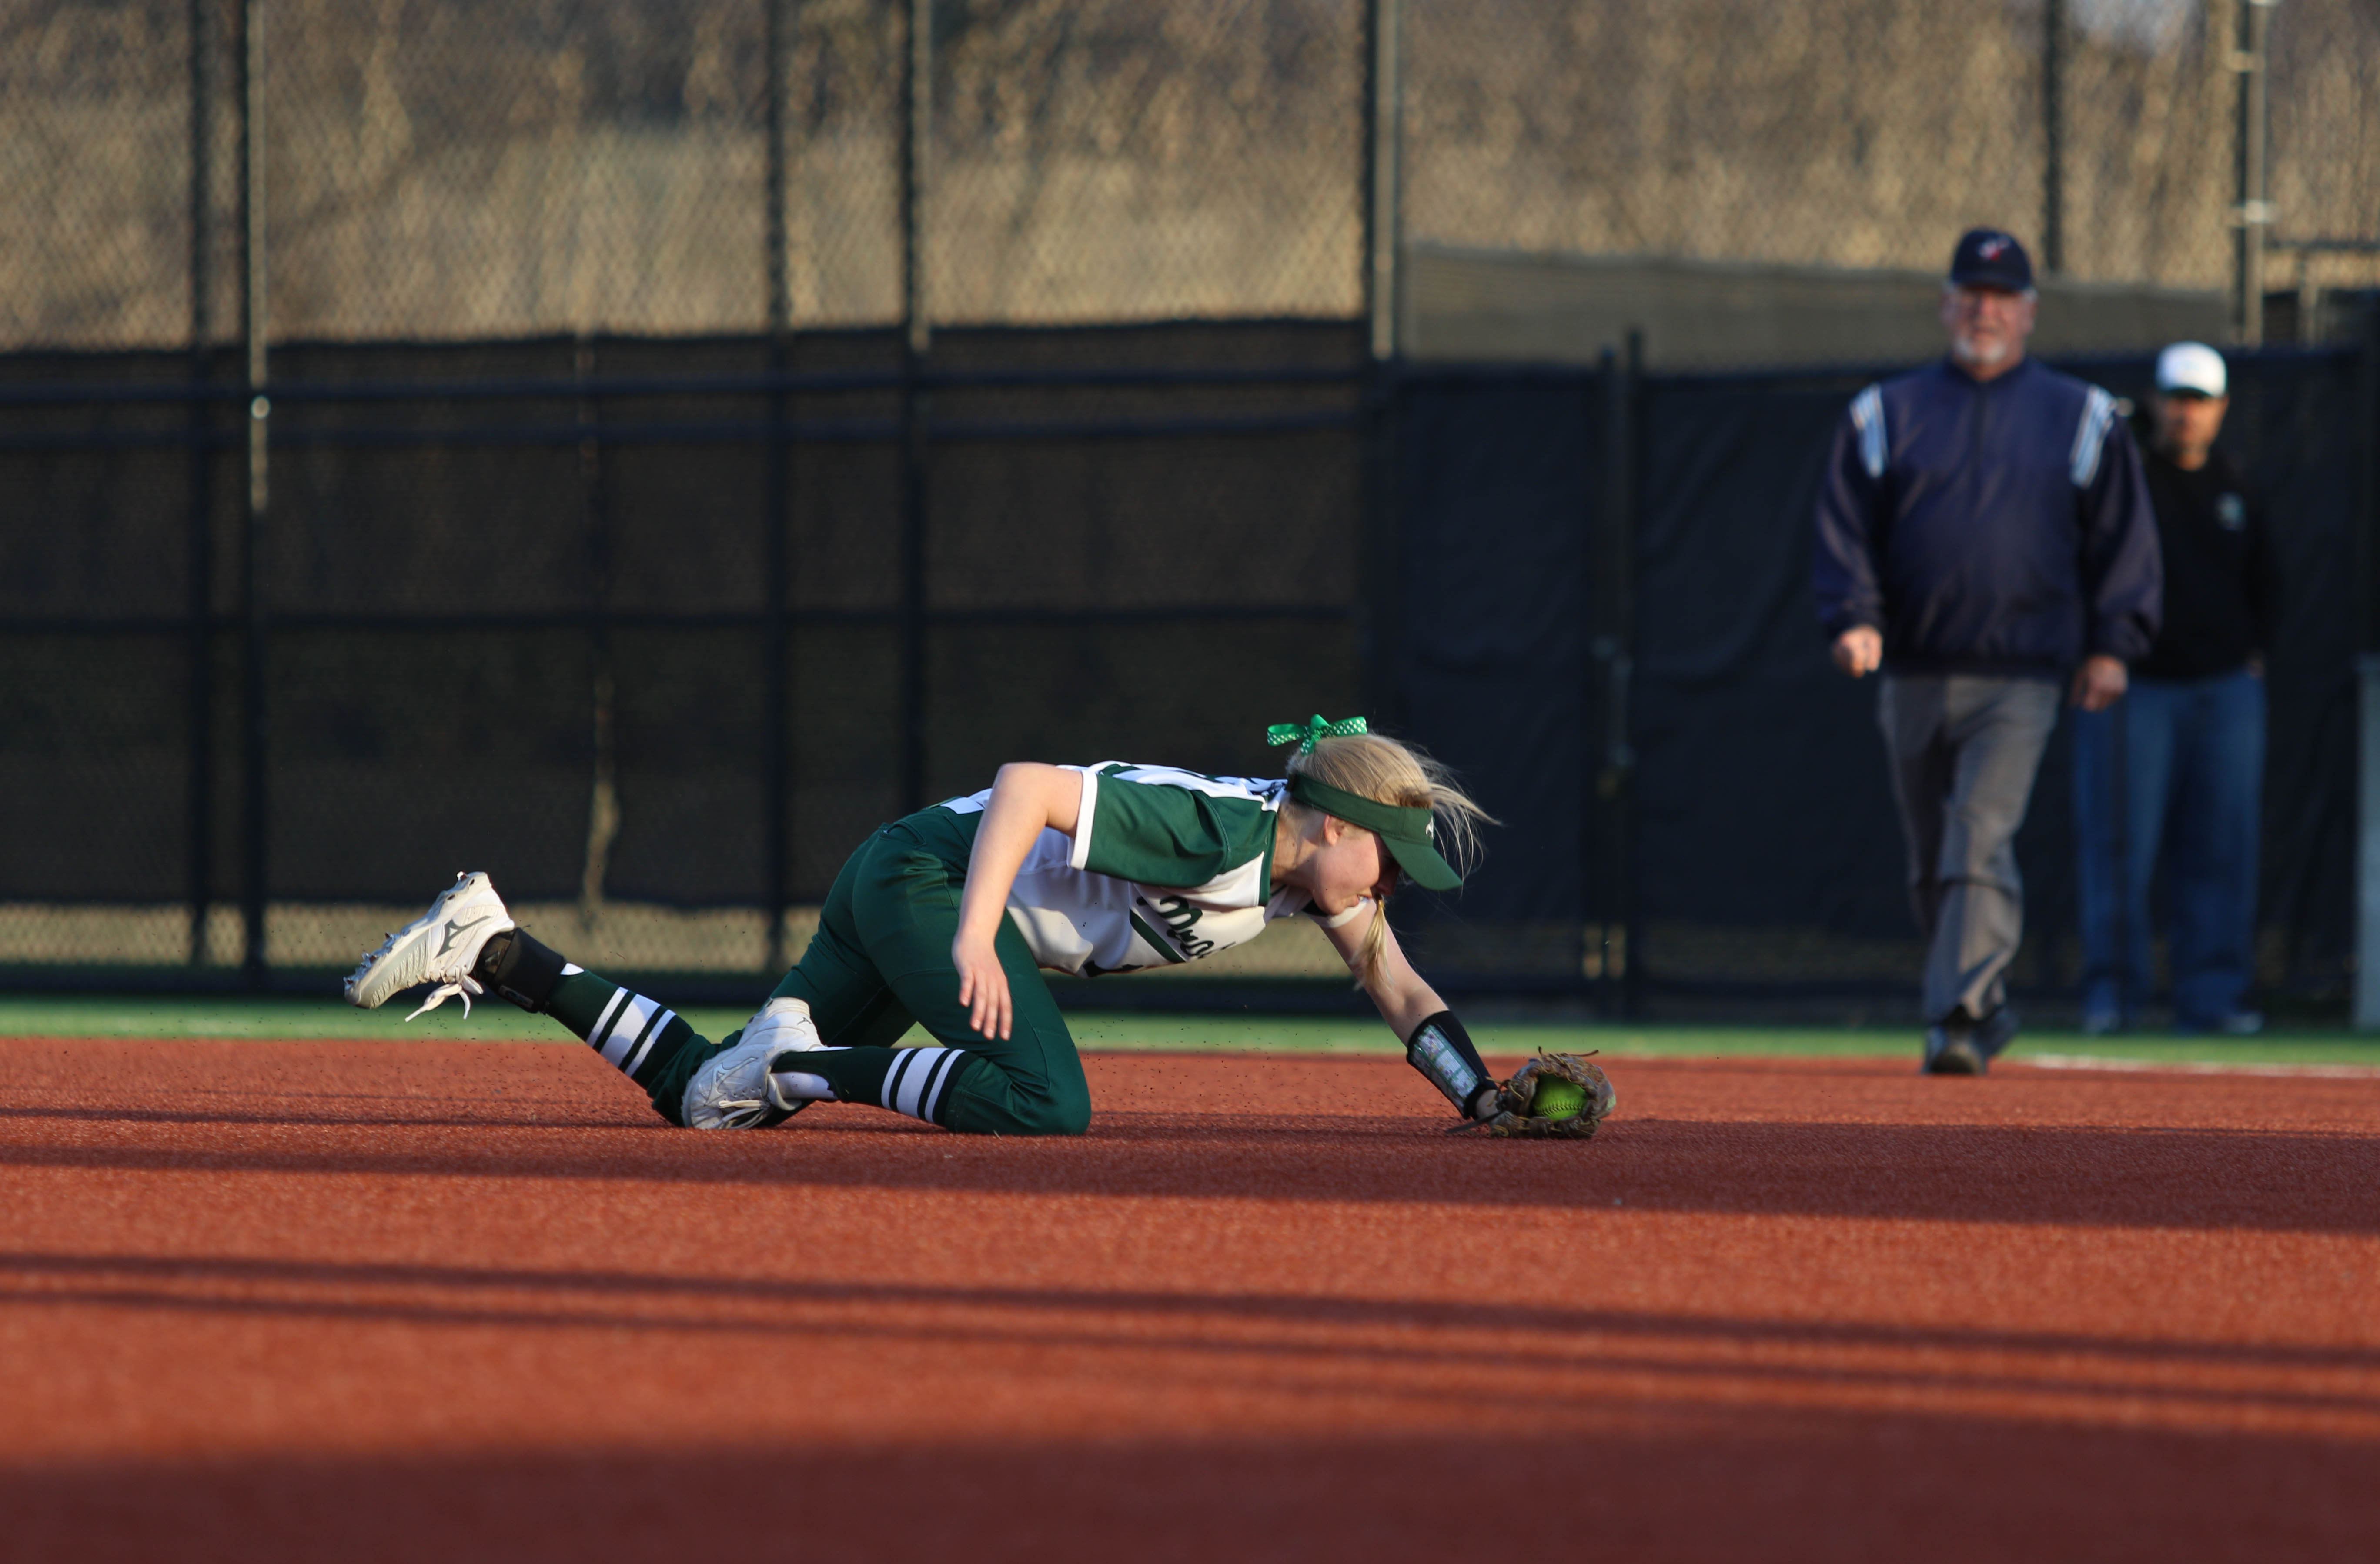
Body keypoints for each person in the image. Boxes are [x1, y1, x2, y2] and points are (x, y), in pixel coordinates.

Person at [343, 716, 1588, 1135]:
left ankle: (498, 948)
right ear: (1325, 821)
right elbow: (1028, 785)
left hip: (907, 881)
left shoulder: (1311, 878)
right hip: (929, 887)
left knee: (706, 1104)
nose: (1393, 881)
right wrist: (973, 931)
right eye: (1388, 850)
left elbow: (1399, 986)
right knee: (1048, 1100)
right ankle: (802, 1063)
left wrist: (1478, 1096)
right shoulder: (1220, 833)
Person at [1812, 228, 2162, 1075]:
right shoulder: (1885, 412)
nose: (1985, 312)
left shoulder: (2082, 416)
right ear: (1945, 305)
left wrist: (2115, 643)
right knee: (1934, 856)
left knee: (1977, 834)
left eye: (2002, 298)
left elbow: (2124, 540)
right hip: (1915, 671)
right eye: (1971, 295)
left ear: (2030, 314)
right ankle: (1983, 995)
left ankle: (1959, 1017)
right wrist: (1853, 617)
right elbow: (1845, 529)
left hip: (2022, 676)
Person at [2072, 343, 2275, 1034]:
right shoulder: (2126, 476)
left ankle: (2213, 996)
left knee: (2222, 846)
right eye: (2176, 398)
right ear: (2157, 401)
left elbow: (2268, 583)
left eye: (2200, 400)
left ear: (2219, 408)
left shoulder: (2238, 486)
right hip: (2137, 690)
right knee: (2120, 845)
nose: (2186, 413)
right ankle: (2116, 996)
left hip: (2224, 692)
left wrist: (2254, 656)